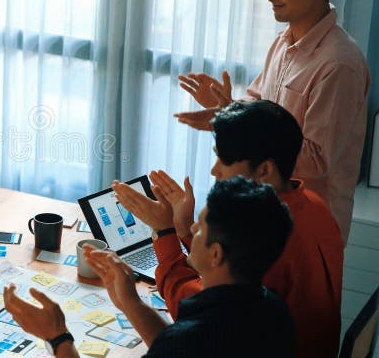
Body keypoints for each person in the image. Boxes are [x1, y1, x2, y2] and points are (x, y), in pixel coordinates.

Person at [175, 0, 370, 242]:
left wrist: (241, 124)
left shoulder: (339, 63)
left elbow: (316, 160)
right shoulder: (283, 42)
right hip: (269, 212)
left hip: (308, 224)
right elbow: (257, 102)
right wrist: (227, 109)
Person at [116, 100, 343, 358]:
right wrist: (186, 230)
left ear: (264, 170)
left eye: (223, 160)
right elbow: (226, 262)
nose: (215, 170)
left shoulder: (270, 233)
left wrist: (164, 232)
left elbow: (197, 313)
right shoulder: (314, 204)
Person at [4, 177, 295, 358]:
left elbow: (179, 346)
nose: (192, 229)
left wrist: (58, 337)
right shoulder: (274, 309)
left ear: (216, 254)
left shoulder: (193, 339)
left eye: (201, 227)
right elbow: (171, 345)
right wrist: (130, 302)